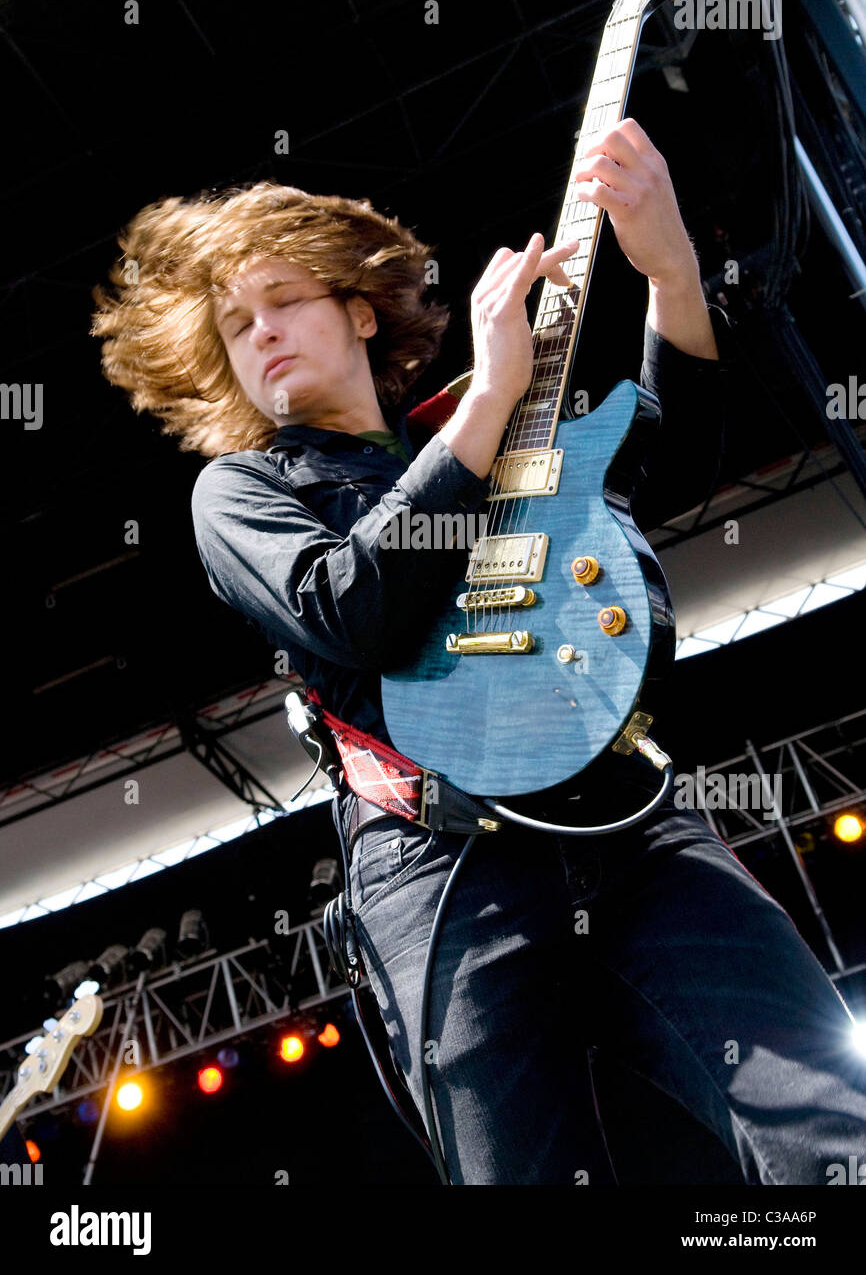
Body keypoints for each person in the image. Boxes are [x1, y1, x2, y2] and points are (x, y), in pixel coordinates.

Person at [93, 119, 866, 1185]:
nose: (259, 333)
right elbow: (350, 609)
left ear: (358, 310)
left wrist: (668, 270)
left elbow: (654, 464)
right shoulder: (241, 492)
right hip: (437, 871)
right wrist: (492, 400)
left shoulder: (482, 421)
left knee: (835, 1135)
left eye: (283, 301)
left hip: (628, 825)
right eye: (235, 327)